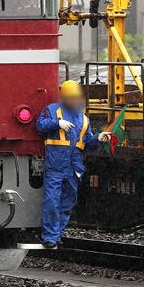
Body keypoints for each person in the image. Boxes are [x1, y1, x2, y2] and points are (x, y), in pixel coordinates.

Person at [36, 80, 110, 248]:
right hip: (55, 166)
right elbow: (40, 125)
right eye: (71, 98)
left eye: (76, 98)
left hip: (73, 168)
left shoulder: (83, 119)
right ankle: (49, 238)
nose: (74, 101)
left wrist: (98, 139)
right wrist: (57, 123)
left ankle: (57, 235)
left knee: (67, 204)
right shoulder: (53, 110)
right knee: (52, 202)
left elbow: (87, 144)